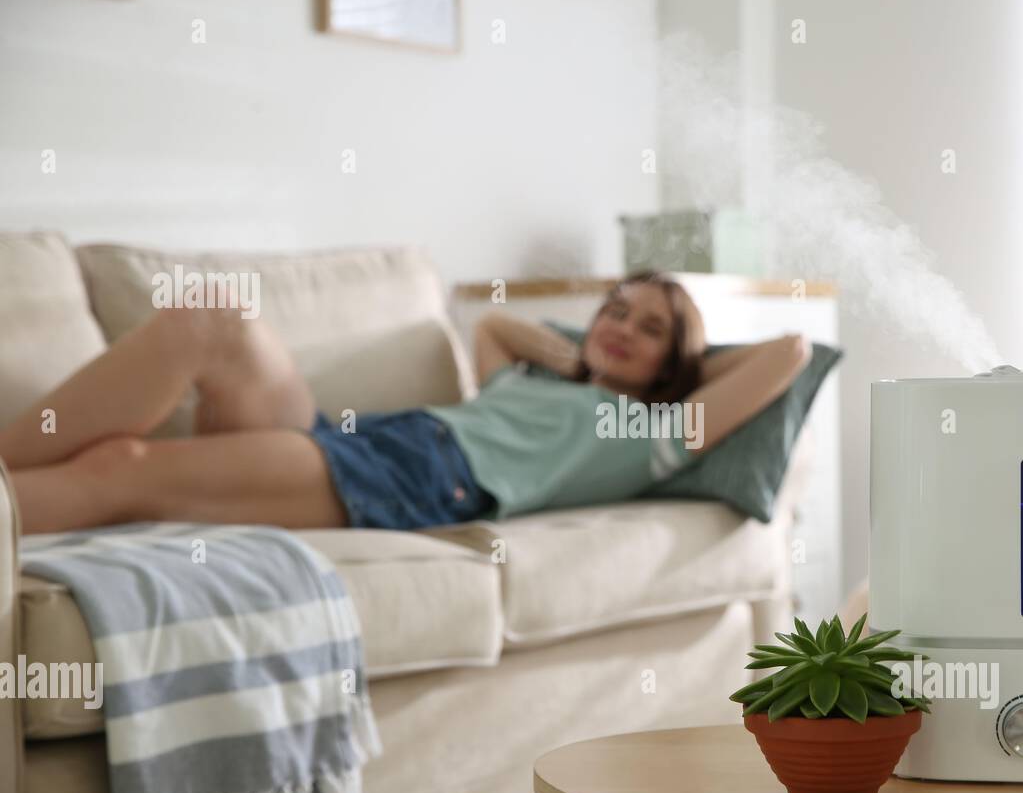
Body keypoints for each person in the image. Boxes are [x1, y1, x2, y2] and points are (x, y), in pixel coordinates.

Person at [0, 271, 811, 534]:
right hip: (375, 438)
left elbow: (792, 352)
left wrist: (678, 372)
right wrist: (583, 356)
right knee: (214, 314)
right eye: (617, 311)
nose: (625, 327)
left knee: (123, 465)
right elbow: (493, 326)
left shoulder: (658, 432)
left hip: (419, 478)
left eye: (652, 328)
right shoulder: (531, 385)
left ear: (681, 357)